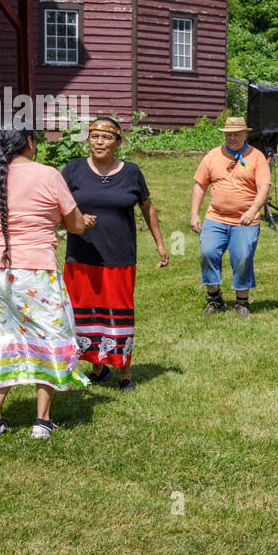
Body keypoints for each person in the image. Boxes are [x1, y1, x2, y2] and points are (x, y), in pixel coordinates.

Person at [0, 126, 95, 440]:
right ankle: (42, 420)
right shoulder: (48, 175)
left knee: (3, 337)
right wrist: (82, 222)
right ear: (30, 142)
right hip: (37, 271)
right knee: (49, 334)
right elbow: (74, 225)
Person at [61, 116, 169, 391]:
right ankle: (97, 368)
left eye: (107, 137)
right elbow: (57, 206)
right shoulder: (73, 170)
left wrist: (159, 243)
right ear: (88, 140)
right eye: (95, 136)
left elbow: (147, 206)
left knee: (119, 313)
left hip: (119, 257)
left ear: (118, 142)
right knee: (85, 312)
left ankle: (125, 372)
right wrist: (75, 219)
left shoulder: (131, 172)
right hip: (81, 255)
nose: (100, 142)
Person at [191, 116, 270, 317]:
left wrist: (252, 210)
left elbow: (263, 187)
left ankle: (242, 303)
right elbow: (200, 185)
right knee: (208, 253)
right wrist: (194, 214)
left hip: (245, 220)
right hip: (215, 217)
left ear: (245, 134)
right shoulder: (212, 155)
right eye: (228, 134)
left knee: (243, 257)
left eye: (236, 134)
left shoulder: (257, 157)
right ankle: (215, 299)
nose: (232, 138)